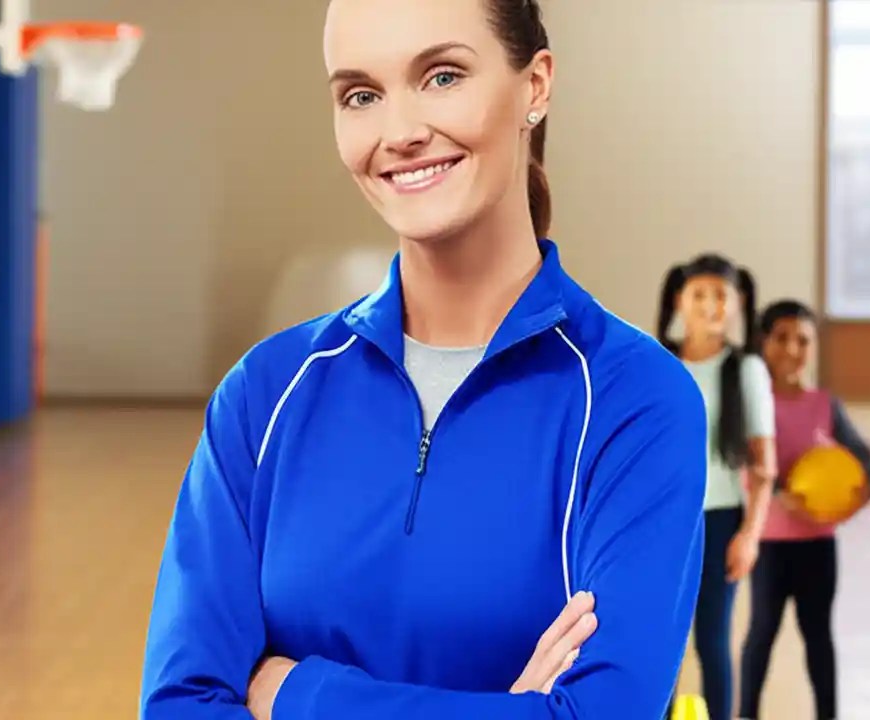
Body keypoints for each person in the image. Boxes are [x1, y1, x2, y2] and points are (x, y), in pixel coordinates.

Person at [138, 1, 708, 717]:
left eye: (441, 76)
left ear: (535, 85)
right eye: (361, 95)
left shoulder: (637, 401)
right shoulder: (264, 394)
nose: (400, 132)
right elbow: (182, 702)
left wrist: (295, 693)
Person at [739, 300, 870, 720]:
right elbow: (746, 460)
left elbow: (868, 466)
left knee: (818, 636)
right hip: (769, 543)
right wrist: (784, 494)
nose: (792, 349)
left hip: (818, 545)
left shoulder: (825, 405)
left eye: (803, 340)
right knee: (761, 633)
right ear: (763, 343)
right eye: (781, 338)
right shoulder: (751, 402)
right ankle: (746, 712)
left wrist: (846, 506)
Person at [655, 255, 776, 720]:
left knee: (711, 640)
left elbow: (765, 466)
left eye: (720, 296)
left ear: (738, 303)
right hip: (664, 525)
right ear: (678, 301)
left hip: (721, 522)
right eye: (699, 295)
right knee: (663, 641)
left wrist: (750, 534)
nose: (710, 306)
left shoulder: (746, 370)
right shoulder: (657, 362)